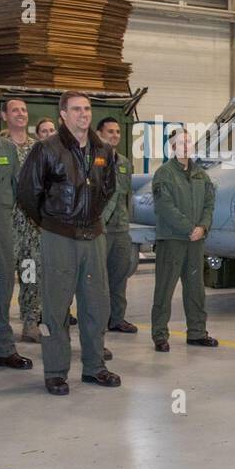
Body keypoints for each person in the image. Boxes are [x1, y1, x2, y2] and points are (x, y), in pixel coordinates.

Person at [15, 91, 119, 394]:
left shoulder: (104, 150)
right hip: (59, 236)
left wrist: (91, 216)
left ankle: (94, 367)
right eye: (76, 109)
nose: (83, 114)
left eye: (87, 108)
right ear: (63, 114)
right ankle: (56, 371)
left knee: (96, 306)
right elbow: (27, 193)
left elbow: (109, 188)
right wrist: (50, 222)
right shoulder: (47, 149)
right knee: (56, 309)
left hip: (93, 236)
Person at [150, 127, 217, 353]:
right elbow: (164, 207)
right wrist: (190, 228)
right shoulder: (164, 174)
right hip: (172, 239)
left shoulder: (202, 175)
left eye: (189, 142)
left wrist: (203, 227)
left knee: (196, 289)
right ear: (173, 147)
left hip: (196, 241)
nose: (186, 146)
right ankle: (160, 335)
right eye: (181, 142)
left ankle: (197, 332)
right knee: (165, 289)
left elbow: (209, 204)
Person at [0, 93, 33, 372]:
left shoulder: (7, 149)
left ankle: (3, 350)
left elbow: (17, 191)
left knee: (1, 292)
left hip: (1, 232)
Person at [0, 98, 42, 343]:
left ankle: (29, 321)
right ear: (4, 116)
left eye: (24, 110)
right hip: (6, 225)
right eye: (15, 110)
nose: (21, 114)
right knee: (2, 276)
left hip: (32, 227)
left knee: (30, 274)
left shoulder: (38, 149)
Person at [95, 117, 138, 335]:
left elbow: (126, 196)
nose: (114, 135)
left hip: (120, 229)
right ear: (99, 133)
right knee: (97, 279)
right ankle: (98, 321)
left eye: (118, 132)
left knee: (119, 276)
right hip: (100, 229)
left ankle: (117, 319)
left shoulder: (125, 163)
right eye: (110, 132)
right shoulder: (93, 160)